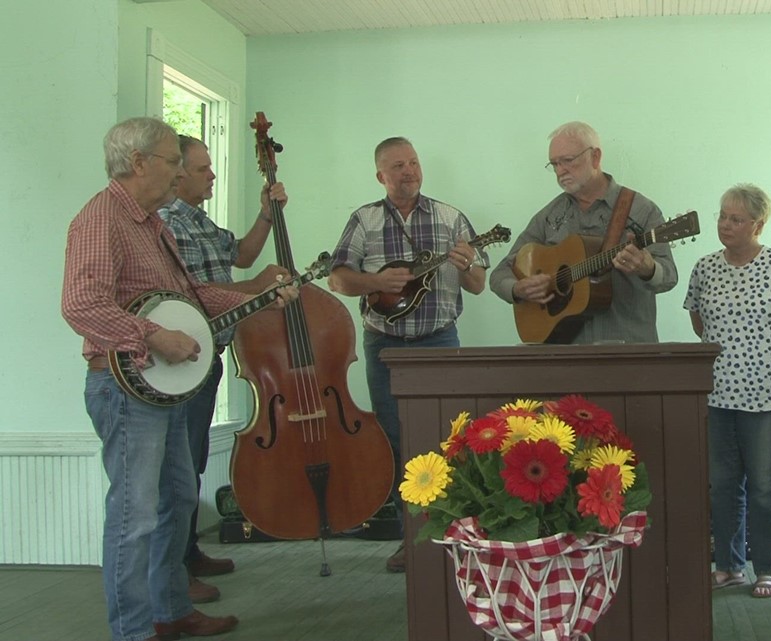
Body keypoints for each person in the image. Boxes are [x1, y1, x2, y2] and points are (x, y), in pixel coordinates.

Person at [61, 117, 296, 641]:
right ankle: (134, 631)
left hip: (163, 391)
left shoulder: (153, 225)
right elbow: (81, 304)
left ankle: (170, 610)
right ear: (138, 163)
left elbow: (192, 296)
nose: (178, 174)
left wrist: (258, 296)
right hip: (126, 391)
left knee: (178, 500)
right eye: (172, 162)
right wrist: (151, 336)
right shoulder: (101, 219)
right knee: (135, 517)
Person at [328, 136, 488, 573]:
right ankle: (410, 541)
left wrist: (465, 265)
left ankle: (453, 536)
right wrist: (376, 283)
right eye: (398, 165)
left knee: (450, 437)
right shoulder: (364, 219)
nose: (409, 171)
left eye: (413, 162)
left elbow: (478, 284)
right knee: (395, 439)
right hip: (385, 346)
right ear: (380, 175)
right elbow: (338, 279)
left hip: (440, 340)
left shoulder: (451, 218)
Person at [158, 135, 290, 603]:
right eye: (203, 168)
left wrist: (266, 215)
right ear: (178, 174)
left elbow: (243, 255)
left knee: (192, 461)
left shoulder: (199, 220)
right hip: (182, 364)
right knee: (177, 469)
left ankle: (188, 551)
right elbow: (194, 295)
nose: (212, 175)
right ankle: (173, 570)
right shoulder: (169, 223)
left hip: (208, 360)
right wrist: (258, 288)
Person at [683, 183, 771, 600]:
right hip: (718, 393)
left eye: (736, 219)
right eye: (722, 216)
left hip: (768, 397)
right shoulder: (705, 268)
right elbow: (698, 320)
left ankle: (765, 569)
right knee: (723, 483)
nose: (725, 225)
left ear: (758, 225)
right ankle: (728, 566)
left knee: (763, 485)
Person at [489, 121, 678, 344]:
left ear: (595, 157)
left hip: (628, 347)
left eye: (568, 160)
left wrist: (648, 268)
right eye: (554, 164)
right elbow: (500, 273)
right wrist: (517, 288)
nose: (560, 171)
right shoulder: (549, 216)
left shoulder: (641, 210)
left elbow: (669, 276)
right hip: (565, 352)